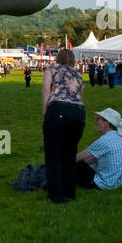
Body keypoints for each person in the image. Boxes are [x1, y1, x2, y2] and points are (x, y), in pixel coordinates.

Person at [41, 48, 86, 204]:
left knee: (53, 154)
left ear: (58, 58)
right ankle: (69, 191)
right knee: (69, 153)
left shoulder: (52, 69)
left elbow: (47, 88)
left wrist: (45, 111)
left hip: (58, 109)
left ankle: (56, 195)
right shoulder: (78, 75)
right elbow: (81, 96)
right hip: (78, 113)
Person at [74, 108, 122, 190]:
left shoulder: (105, 140)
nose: (96, 122)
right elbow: (92, 159)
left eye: (98, 119)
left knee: (77, 164)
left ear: (107, 123)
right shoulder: (119, 138)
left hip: (106, 184)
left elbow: (78, 158)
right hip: (121, 184)